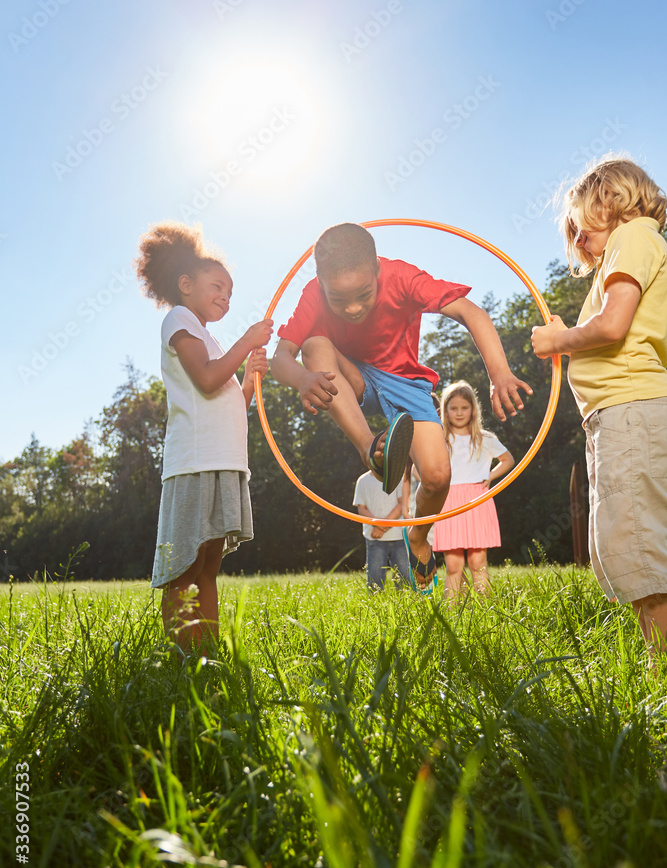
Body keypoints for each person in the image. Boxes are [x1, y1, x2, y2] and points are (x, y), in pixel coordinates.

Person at [270, 223, 531, 593]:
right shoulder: (313, 293)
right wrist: (301, 380)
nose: (353, 307)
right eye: (339, 299)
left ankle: (419, 537)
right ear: (321, 281)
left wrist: (499, 373)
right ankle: (369, 447)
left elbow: (470, 312)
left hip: (405, 382)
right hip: (350, 374)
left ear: (378, 269)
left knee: (438, 475)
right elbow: (281, 357)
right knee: (314, 344)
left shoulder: (402, 276)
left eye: (363, 294)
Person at [531, 157, 667, 661]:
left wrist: (558, 341)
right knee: (634, 543)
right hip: (626, 413)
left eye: (580, 225)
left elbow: (613, 328)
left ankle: (659, 679)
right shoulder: (637, 247)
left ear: (610, 201)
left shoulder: (633, 237)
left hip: (628, 411)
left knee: (639, 548)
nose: (578, 239)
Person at [134, 221, 272, 648]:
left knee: (209, 568)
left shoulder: (209, 338)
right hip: (194, 462)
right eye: (217, 287)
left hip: (222, 460)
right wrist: (246, 342)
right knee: (186, 570)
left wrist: (248, 376)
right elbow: (208, 381)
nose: (225, 298)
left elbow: (230, 402)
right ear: (186, 284)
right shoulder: (179, 319)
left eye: (230, 293)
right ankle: (181, 658)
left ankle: (205, 656)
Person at [431, 381, 514, 600]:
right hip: (449, 501)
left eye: (464, 408)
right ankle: (451, 610)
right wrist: (436, 484)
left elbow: (507, 460)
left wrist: (490, 476)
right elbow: (423, 468)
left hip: (478, 500)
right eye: (454, 408)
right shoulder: (440, 439)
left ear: (473, 410)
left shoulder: (484, 438)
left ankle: (486, 609)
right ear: (445, 411)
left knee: (478, 562)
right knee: (453, 564)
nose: (459, 413)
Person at [353, 470, 409, 590]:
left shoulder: (397, 476)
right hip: (374, 538)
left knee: (404, 579)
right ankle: (376, 606)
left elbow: (401, 504)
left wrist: (382, 527)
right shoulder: (363, 481)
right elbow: (361, 509)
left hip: (399, 536)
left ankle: (406, 605)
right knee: (375, 580)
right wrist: (379, 525)